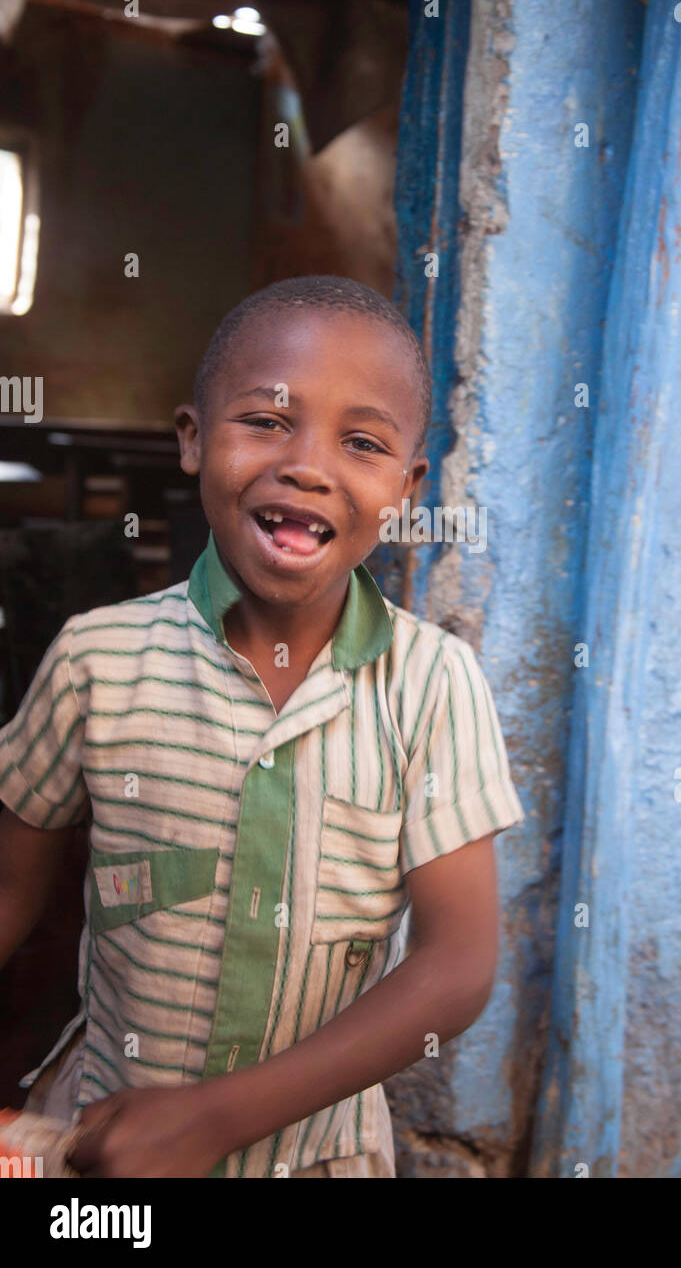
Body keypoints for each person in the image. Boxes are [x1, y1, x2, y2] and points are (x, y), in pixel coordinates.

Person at [0, 275, 525, 1178]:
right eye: (268, 421)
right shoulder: (99, 661)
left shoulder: (434, 685)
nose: (309, 465)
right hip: (99, 1150)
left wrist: (212, 1120)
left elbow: (458, 964)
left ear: (405, 487)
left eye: (360, 443)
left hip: (319, 1161)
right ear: (193, 439)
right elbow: (12, 894)